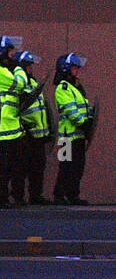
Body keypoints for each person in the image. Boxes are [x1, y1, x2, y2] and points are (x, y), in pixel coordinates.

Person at [0, 35, 25, 208]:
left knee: (8, 167)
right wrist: (19, 68)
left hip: (10, 128)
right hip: (2, 129)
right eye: (9, 52)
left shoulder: (2, 69)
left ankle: (2, 197)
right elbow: (20, 84)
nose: (12, 55)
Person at [53, 52, 94, 205]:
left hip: (77, 136)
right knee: (65, 167)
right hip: (66, 137)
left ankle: (72, 195)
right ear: (66, 69)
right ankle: (59, 195)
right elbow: (71, 111)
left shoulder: (74, 88)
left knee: (77, 168)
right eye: (74, 68)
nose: (77, 71)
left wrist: (90, 117)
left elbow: (84, 108)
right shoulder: (63, 88)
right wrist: (84, 122)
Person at [17, 51, 51, 204]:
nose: (31, 69)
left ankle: (35, 195)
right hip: (28, 134)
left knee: (38, 168)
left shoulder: (33, 83)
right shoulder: (22, 85)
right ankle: (18, 196)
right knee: (22, 167)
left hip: (39, 135)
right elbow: (23, 105)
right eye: (29, 66)